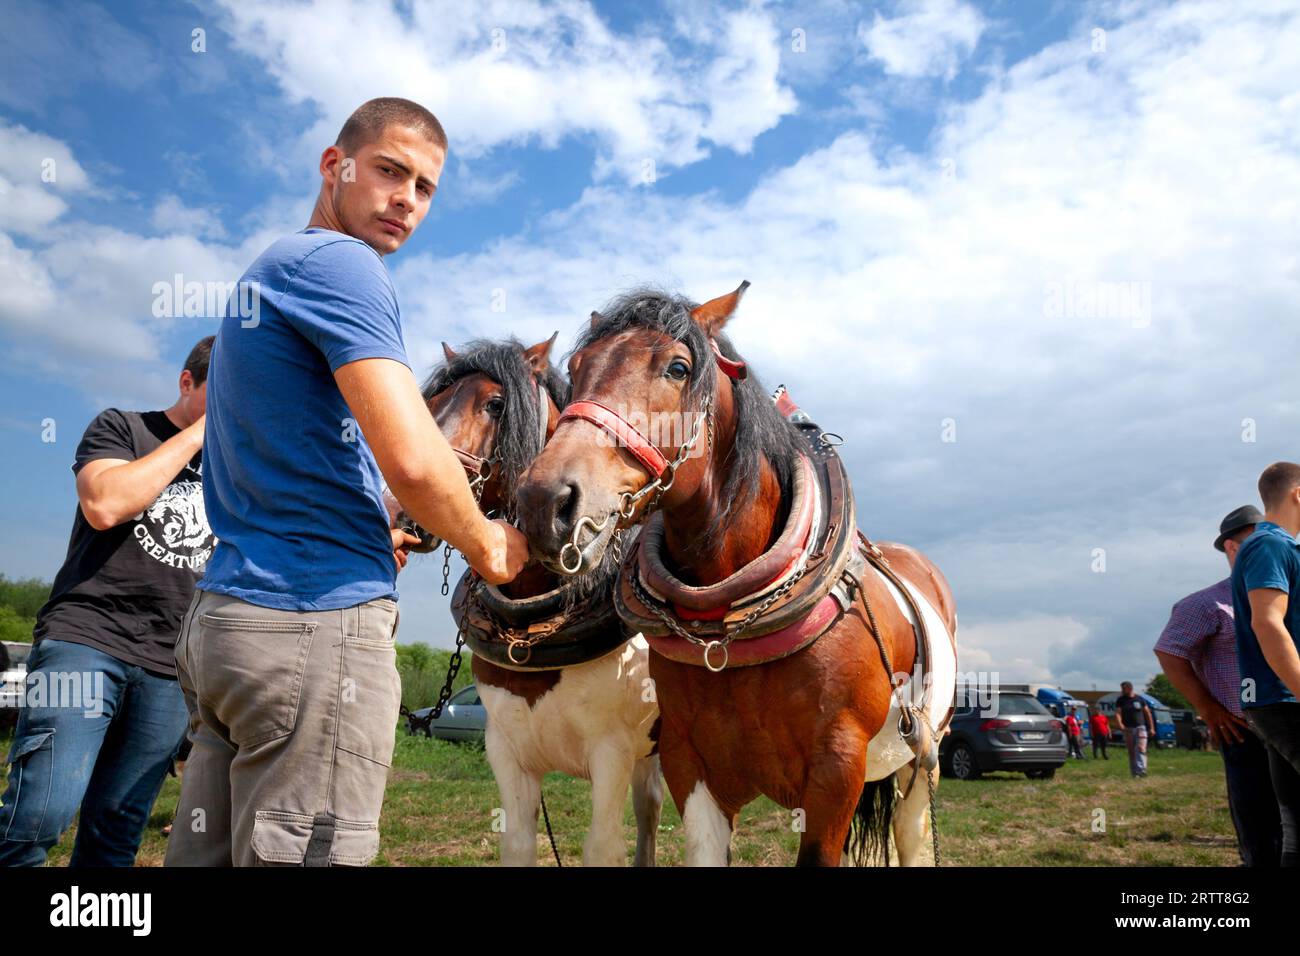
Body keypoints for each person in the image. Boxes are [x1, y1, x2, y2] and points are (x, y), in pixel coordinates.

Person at [164, 98, 529, 868]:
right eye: (391, 172)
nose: (407, 199)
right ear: (336, 166)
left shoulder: (267, 275)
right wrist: (492, 545)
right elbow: (416, 459)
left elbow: (306, 462)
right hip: (310, 627)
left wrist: (376, 526)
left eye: (426, 188)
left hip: (230, 623)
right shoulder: (342, 266)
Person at [0, 338, 215, 866]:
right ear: (186, 382)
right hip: (87, 637)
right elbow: (104, 504)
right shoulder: (123, 427)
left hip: (172, 662)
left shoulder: (238, 472)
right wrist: (199, 436)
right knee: (39, 813)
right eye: (224, 391)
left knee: (116, 832)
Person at [1154, 504, 1281, 865]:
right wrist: (1208, 708)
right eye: (1259, 543)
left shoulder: (1283, 598)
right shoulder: (1206, 604)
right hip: (1245, 730)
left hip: (1291, 723)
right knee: (1260, 823)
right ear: (1233, 548)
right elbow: (1169, 652)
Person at [1231, 462, 1300, 867]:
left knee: (1296, 829)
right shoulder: (1270, 545)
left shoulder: (1277, 546)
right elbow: (1268, 622)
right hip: (1286, 699)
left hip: (1278, 699)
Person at [1114, 681, 1156, 777]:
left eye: (1123, 688)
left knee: (1141, 748)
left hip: (1140, 727)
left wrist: (1152, 728)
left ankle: (1142, 770)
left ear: (1129, 688)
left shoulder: (1140, 699)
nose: (1122, 691)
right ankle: (1135, 772)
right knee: (1131, 751)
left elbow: (1147, 713)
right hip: (1128, 729)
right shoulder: (1121, 700)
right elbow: (1118, 713)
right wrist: (1120, 723)